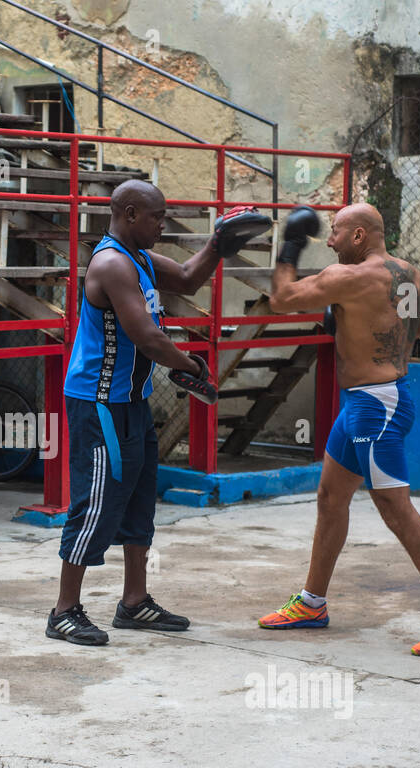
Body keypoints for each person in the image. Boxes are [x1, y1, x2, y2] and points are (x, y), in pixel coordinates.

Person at [47, 180, 270, 645]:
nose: (163, 224)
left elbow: (188, 278)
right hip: (100, 403)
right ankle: (64, 611)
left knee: (139, 500)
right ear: (129, 214)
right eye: (157, 217)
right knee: (95, 504)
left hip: (131, 402)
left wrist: (217, 245)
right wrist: (191, 366)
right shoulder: (111, 264)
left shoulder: (141, 259)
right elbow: (146, 336)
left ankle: (134, 602)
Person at [258, 202, 420, 657]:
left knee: (395, 509)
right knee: (330, 499)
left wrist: (290, 245)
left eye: (336, 233)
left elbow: (280, 298)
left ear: (359, 236)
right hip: (370, 401)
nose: (331, 240)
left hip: (375, 407)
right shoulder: (409, 272)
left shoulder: (348, 278)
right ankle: (312, 603)